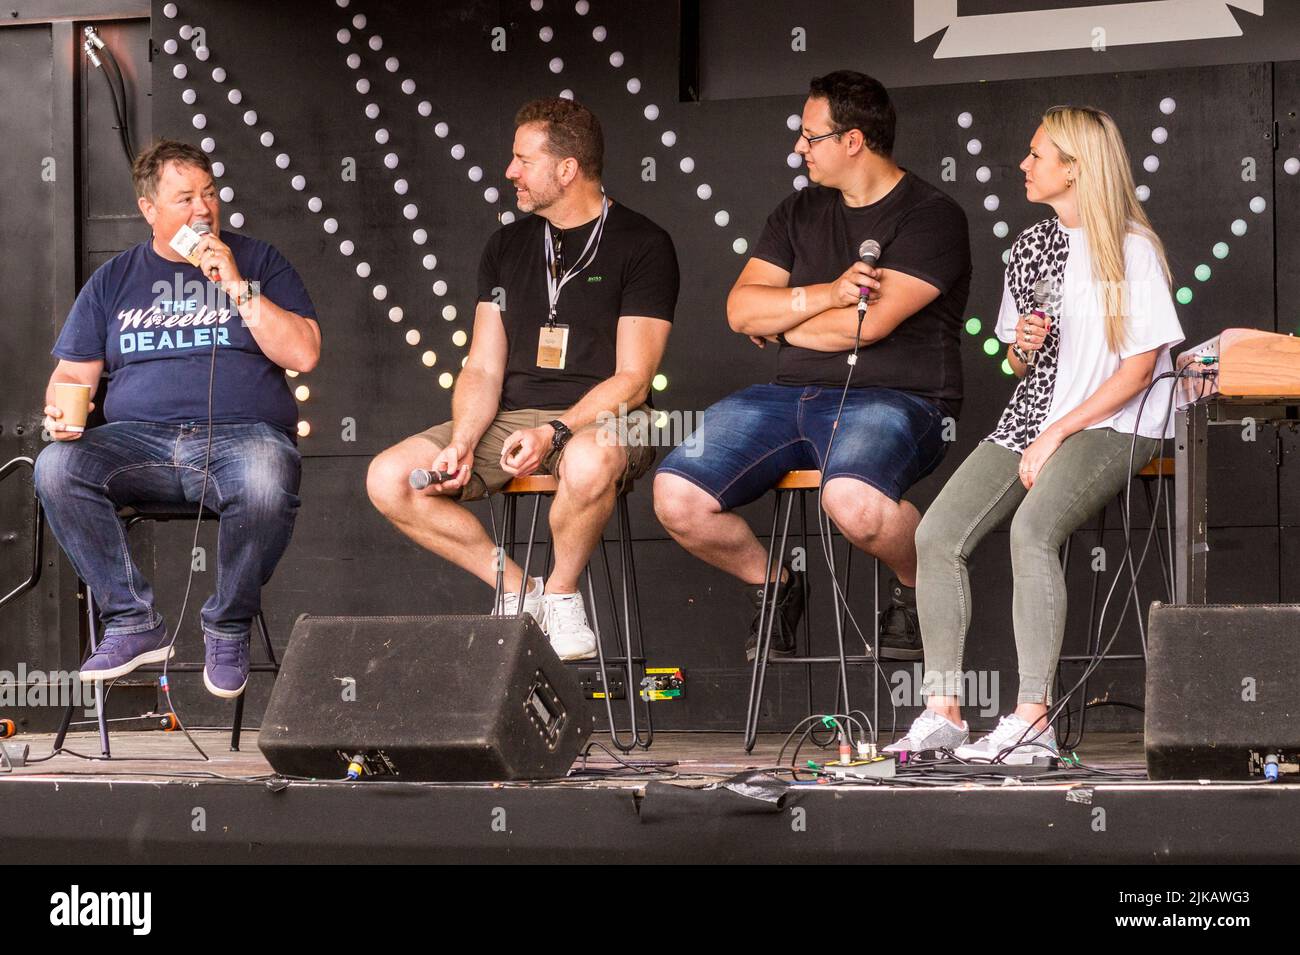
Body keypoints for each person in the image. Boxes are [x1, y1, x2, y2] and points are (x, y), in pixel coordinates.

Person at [885, 106, 1184, 763]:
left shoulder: (1129, 248)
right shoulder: (1030, 247)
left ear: (1074, 168)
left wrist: (1057, 435)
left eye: (1037, 155)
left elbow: (1137, 370)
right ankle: (943, 710)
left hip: (1113, 421)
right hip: (1033, 419)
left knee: (1031, 529)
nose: (1024, 164)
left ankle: (1032, 718)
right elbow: (1016, 363)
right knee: (936, 534)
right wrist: (1020, 348)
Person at [654, 71, 970, 661]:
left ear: (853, 140)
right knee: (676, 496)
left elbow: (868, 325)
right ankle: (774, 585)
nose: (799, 148)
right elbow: (739, 310)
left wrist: (780, 321)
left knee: (851, 500)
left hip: (899, 398)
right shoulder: (797, 211)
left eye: (810, 136)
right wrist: (827, 294)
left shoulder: (932, 216)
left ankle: (919, 586)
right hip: (788, 394)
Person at [367, 97, 679, 661]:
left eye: (522, 159)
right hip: (512, 419)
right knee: (389, 478)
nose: (510, 172)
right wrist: (462, 441)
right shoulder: (507, 245)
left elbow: (634, 380)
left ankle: (562, 595)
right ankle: (521, 591)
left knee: (586, 460)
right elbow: (483, 366)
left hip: (609, 418)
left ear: (567, 169)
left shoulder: (643, 243)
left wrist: (555, 432)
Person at [35, 139, 320, 699]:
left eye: (209, 193)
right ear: (149, 209)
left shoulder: (258, 262)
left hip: (241, 439)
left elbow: (304, 354)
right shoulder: (114, 280)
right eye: (185, 197)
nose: (203, 209)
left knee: (266, 477)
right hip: (137, 443)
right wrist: (62, 416)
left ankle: (228, 624)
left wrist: (236, 285)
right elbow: (71, 378)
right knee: (55, 468)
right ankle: (132, 621)